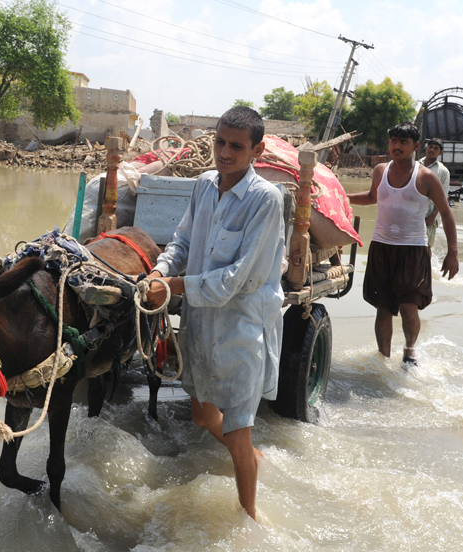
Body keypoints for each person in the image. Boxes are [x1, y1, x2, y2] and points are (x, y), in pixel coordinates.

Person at [144, 106, 284, 520]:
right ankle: (251, 458)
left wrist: (173, 287)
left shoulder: (265, 200)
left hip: (241, 328)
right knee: (203, 414)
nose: (224, 152)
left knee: (238, 430)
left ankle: (251, 519)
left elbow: (235, 280)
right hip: (200, 323)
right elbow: (182, 240)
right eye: (220, 142)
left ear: (256, 150)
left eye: (236, 147)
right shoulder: (204, 185)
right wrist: (158, 270)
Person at [347, 122, 459, 366]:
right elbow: (371, 197)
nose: (396, 146)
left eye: (403, 142)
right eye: (393, 141)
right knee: (383, 307)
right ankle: (383, 359)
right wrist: (342, 197)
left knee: (409, 309)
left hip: (413, 248)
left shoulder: (426, 177)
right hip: (381, 246)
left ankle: (409, 351)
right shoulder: (379, 170)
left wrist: (453, 253)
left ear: (415, 146)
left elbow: (446, 212)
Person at [418, 137, 450, 249]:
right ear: (426, 148)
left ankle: (427, 267)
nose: (432, 150)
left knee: (426, 247)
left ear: (440, 152)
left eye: (435, 148)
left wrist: (433, 216)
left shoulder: (443, 171)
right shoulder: (415, 165)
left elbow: (444, 197)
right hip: (413, 213)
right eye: (430, 147)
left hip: (429, 216)